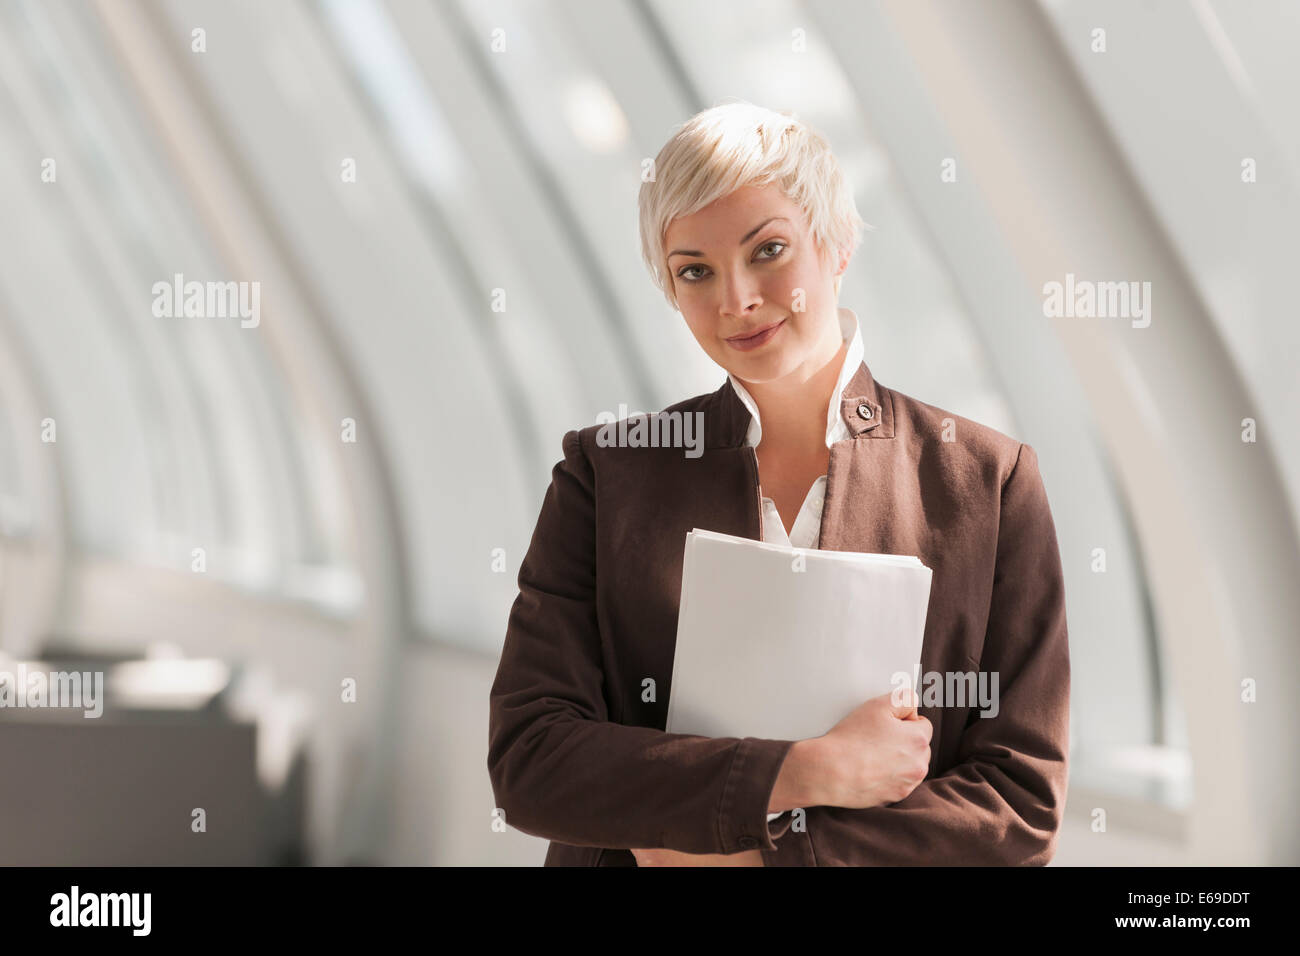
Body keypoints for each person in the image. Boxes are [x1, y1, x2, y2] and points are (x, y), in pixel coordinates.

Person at [487, 101, 1070, 866]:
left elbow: (1014, 810)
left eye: (768, 251)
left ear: (836, 245)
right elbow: (531, 760)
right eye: (695, 270)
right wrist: (804, 771)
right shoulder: (606, 477)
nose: (736, 300)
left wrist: (750, 855)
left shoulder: (988, 485)